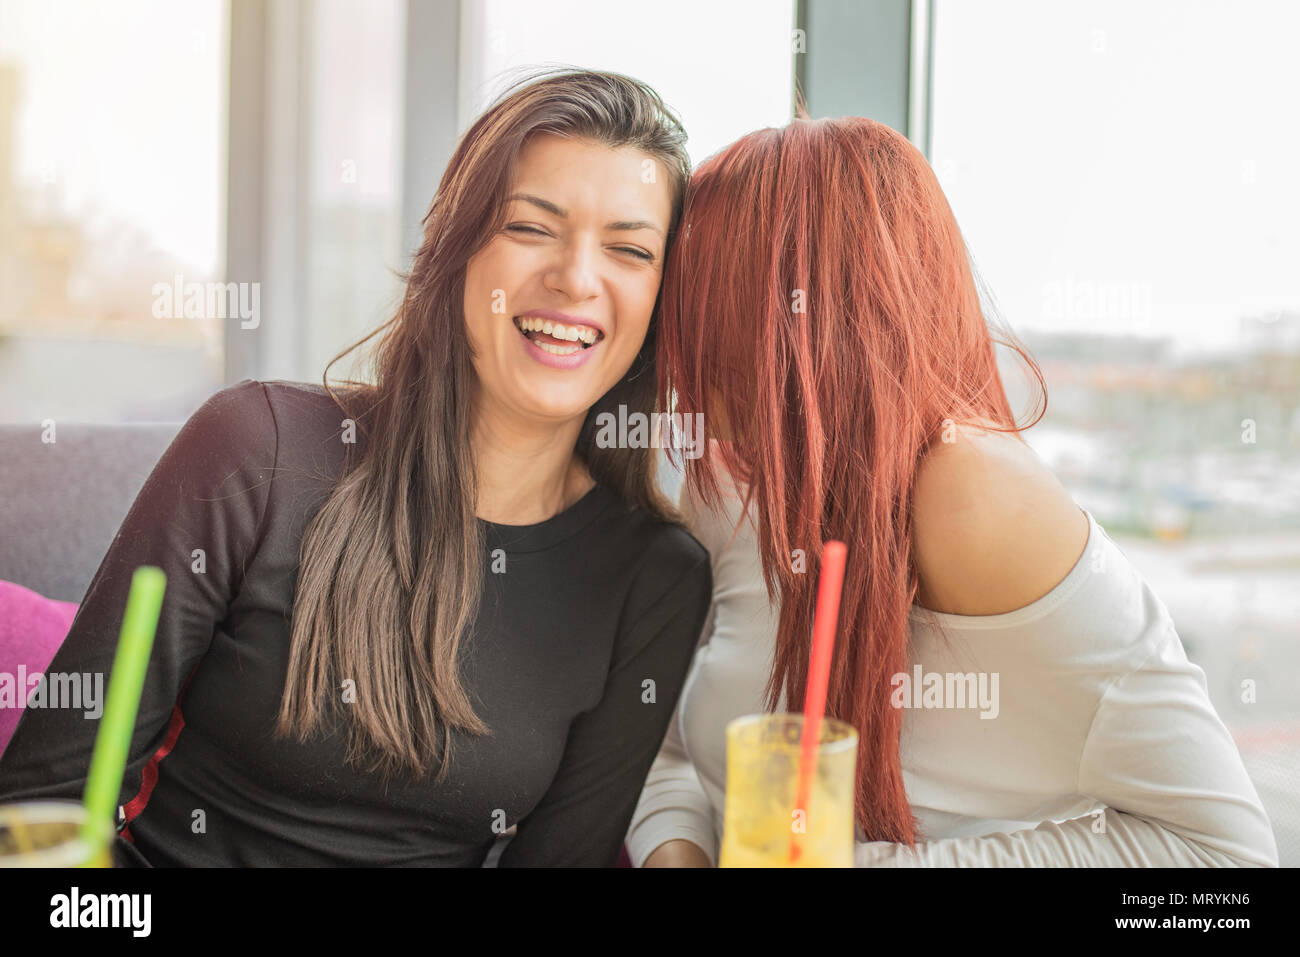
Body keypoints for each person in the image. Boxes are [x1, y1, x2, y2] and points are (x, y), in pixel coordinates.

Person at [0, 68, 712, 867]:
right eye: (530, 226)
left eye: (629, 249)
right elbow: (39, 813)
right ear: (457, 250)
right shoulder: (256, 449)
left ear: (662, 298)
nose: (577, 277)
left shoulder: (655, 579)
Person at [627, 113, 1278, 867]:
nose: (673, 344)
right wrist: (677, 851)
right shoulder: (729, 476)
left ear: (805, 320)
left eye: (701, 304)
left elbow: (1228, 860)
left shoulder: (973, 498)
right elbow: (670, 744)